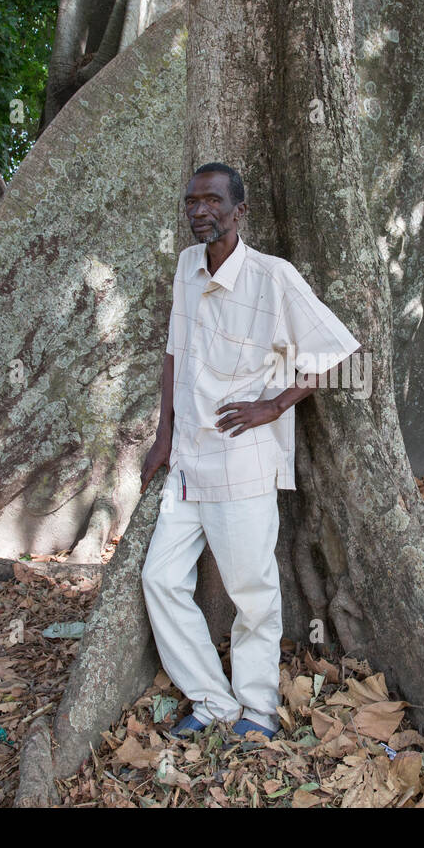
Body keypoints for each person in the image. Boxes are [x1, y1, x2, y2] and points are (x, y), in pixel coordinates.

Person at [139, 162, 361, 740]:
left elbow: (335, 354)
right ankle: (212, 700)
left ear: (240, 212)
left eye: (212, 201)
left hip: (242, 460)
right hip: (186, 461)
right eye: (191, 201)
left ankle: (257, 708)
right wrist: (162, 434)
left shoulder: (272, 277)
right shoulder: (187, 267)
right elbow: (172, 354)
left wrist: (273, 406)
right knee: (160, 579)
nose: (199, 210)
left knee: (252, 594)